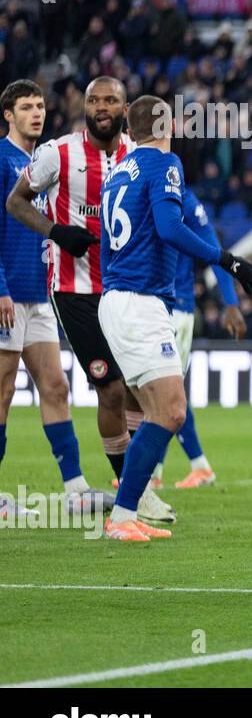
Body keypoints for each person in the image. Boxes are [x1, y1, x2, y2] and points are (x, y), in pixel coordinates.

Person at [6, 77, 171, 525]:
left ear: (124, 108)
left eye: (111, 100)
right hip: (73, 291)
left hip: (124, 291)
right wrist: (56, 232)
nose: (101, 107)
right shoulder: (58, 153)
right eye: (94, 100)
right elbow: (16, 202)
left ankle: (136, 489)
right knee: (111, 390)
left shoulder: (137, 158)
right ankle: (127, 495)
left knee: (139, 393)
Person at [97, 96, 252, 541]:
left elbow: (107, 244)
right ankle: (122, 516)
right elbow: (170, 228)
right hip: (141, 302)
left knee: (150, 409)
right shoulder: (164, 163)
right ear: (166, 125)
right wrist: (227, 261)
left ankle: (128, 512)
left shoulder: (119, 171)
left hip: (116, 298)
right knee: (171, 410)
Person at [0, 80, 109, 520]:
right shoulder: (1, 159)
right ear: (8, 115)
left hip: (39, 293)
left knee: (56, 386)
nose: (36, 114)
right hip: (8, 293)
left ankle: (75, 488)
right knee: (3, 391)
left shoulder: (42, 162)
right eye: (26, 107)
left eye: (40, 106)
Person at [155, 139, 246, 488]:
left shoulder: (188, 205)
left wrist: (231, 303)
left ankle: (160, 473)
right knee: (161, 392)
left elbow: (215, 255)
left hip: (177, 310)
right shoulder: (153, 194)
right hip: (154, 306)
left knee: (165, 393)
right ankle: (189, 468)